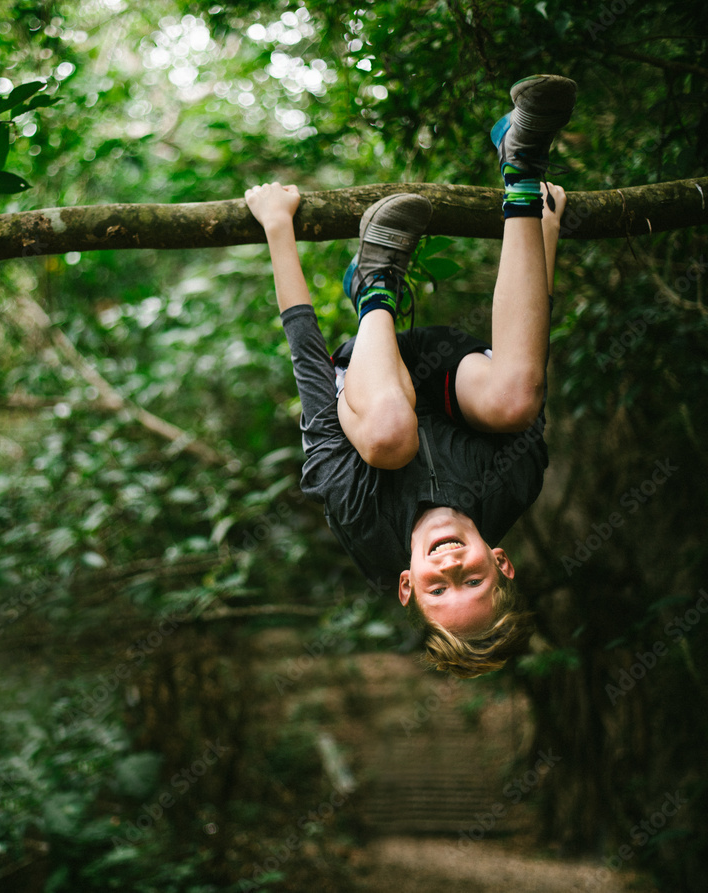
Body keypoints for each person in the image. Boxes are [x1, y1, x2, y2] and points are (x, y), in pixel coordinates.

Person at [245, 74, 576, 678]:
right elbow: (527, 371)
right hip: (452, 376)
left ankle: (375, 287)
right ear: (498, 560)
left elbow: (312, 379)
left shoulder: (362, 520)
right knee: (515, 404)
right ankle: (520, 163)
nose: (450, 570)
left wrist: (277, 229)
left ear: (406, 585)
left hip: (368, 385)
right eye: (471, 579)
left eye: (438, 590)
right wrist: (541, 233)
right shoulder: (512, 484)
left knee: (389, 438)